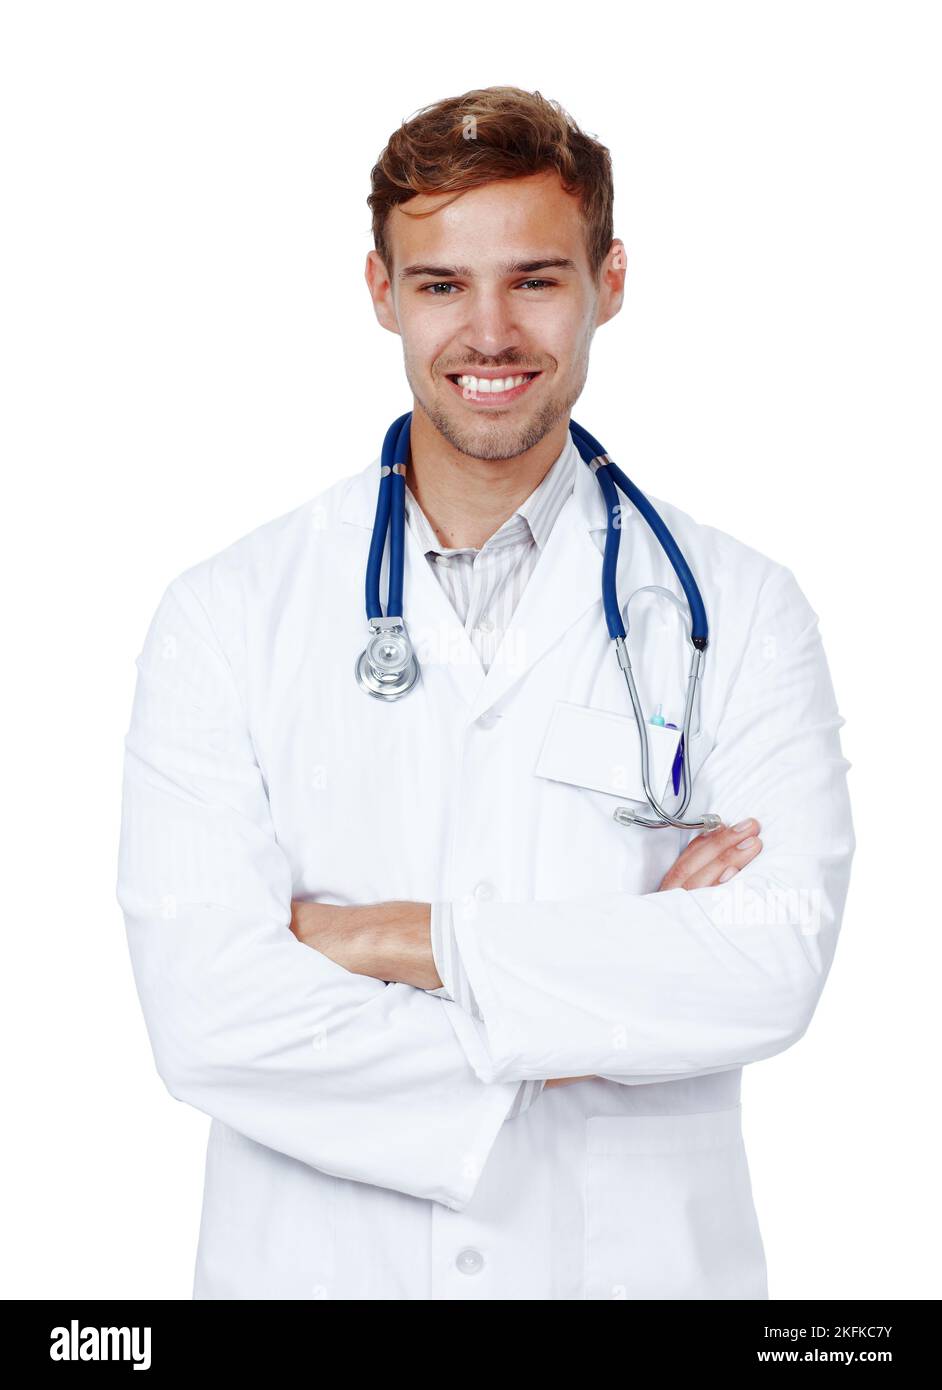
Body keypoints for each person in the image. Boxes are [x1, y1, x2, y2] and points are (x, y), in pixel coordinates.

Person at [116, 85, 855, 1300]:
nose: (491, 333)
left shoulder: (740, 612)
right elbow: (208, 1018)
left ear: (611, 280)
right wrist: (606, 1001)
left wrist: (393, 940)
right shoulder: (226, 615)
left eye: (537, 279)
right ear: (380, 292)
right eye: (442, 285)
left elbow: (765, 969)